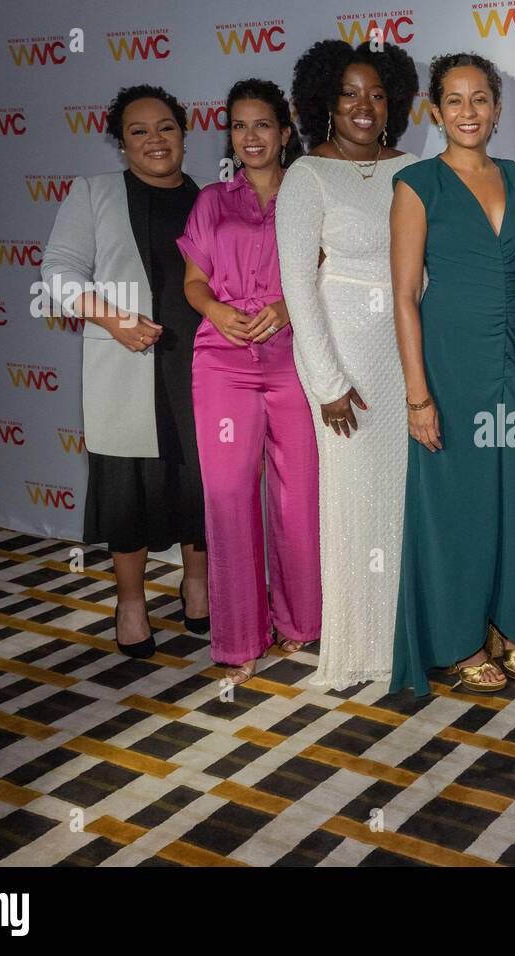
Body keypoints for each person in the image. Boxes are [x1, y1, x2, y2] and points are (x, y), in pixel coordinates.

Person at [390, 53, 515, 695]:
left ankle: (508, 623)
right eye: (454, 101)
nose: (468, 112)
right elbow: (404, 296)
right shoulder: (417, 184)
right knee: (455, 505)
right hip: (449, 364)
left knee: (511, 502)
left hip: (512, 363)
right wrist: (418, 396)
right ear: (435, 111)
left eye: (480, 99)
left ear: (497, 108)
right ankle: (456, 638)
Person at [41, 85, 208, 659]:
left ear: (184, 134)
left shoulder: (210, 199)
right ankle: (131, 603)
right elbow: (58, 273)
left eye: (166, 127)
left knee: (202, 484)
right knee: (127, 490)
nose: (155, 140)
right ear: (121, 143)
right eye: (139, 131)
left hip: (202, 365)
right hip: (126, 362)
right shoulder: (93, 193)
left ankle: (197, 585)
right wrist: (113, 319)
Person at [277, 39, 420, 690]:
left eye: (378, 94)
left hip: (409, 357)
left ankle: (408, 638)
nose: (365, 106)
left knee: (405, 502)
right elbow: (298, 287)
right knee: (357, 503)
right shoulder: (307, 175)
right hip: (348, 368)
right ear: (326, 103)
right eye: (350, 94)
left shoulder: (412, 169)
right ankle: (362, 646)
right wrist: (328, 382)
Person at [178, 79, 316, 685]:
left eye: (262, 125)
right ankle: (239, 639)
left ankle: (300, 622)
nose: (250, 137)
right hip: (223, 361)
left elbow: (328, 270)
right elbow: (193, 281)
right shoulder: (212, 200)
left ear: (285, 132)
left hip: (294, 358)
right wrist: (215, 309)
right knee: (230, 496)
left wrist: (287, 308)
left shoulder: (309, 193)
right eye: (239, 126)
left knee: (298, 497)